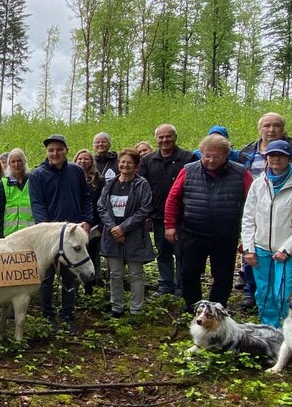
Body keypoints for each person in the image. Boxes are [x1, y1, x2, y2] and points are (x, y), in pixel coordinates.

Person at [164, 133, 252, 311]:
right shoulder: (188, 170)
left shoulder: (241, 173)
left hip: (226, 235)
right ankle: (193, 306)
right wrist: (170, 225)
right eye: (207, 156)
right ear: (201, 153)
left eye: (216, 156)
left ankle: (217, 308)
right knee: (189, 273)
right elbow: (173, 198)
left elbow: (254, 203)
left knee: (222, 276)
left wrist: (250, 234)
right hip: (193, 232)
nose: (210, 160)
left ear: (226, 155)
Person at [237, 113, 292, 308]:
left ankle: (286, 333)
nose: (276, 159)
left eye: (281, 156)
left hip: (287, 248)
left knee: (284, 295)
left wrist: (288, 248)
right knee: (264, 294)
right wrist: (249, 248)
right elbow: (248, 218)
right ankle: (268, 332)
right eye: (272, 156)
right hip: (261, 246)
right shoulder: (257, 183)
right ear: (266, 158)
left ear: (289, 158)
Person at [28, 134, 94, 333]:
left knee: (69, 276)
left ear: (66, 150)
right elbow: (37, 205)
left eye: (58, 149)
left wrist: (87, 221)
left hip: (74, 235)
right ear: (47, 153)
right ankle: (48, 316)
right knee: (46, 278)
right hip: (49, 238)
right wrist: (47, 230)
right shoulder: (37, 175)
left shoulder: (76, 171)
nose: (54, 153)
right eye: (51, 150)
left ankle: (67, 315)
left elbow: (86, 198)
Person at [139, 124, 196, 297]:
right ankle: (165, 285)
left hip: (183, 216)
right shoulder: (148, 160)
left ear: (175, 137)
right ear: (156, 139)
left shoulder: (188, 158)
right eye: (161, 137)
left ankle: (181, 286)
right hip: (157, 215)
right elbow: (143, 187)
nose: (164, 140)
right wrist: (146, 214)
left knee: (181, 252)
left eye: (168, 136)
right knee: (163, 252)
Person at [98, 149, 154, 316]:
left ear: (135, 165)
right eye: (122, 162)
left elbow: (145, 209)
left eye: (129, 162)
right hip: (112, 236)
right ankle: (117, 307)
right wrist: (113, 228)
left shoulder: (142, 184)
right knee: (115, 274)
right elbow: (101, 207)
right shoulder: (110, 184)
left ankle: (136, 310)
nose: (125, 165)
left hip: (135, 235)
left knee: (136, 274)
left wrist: (123, 228)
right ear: (118, 163)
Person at [74, 148, 106, 292]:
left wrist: (98, 225)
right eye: (80, 159)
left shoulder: (100, 180)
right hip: (74, 224)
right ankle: (74, 288)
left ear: (92, 162)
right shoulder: (71, 177)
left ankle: (90, 287)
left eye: (86, 159)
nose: (83, 161)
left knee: (91, 254)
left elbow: (103, 203)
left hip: (92, 225)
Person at [0, 148, 33, 239]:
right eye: (13, 161)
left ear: (24, 162)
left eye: (19, 161)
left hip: (29, 233)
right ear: (9, 164)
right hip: (9, 235)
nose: (16, 164)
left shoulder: (33, 181)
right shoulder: (3, 184)